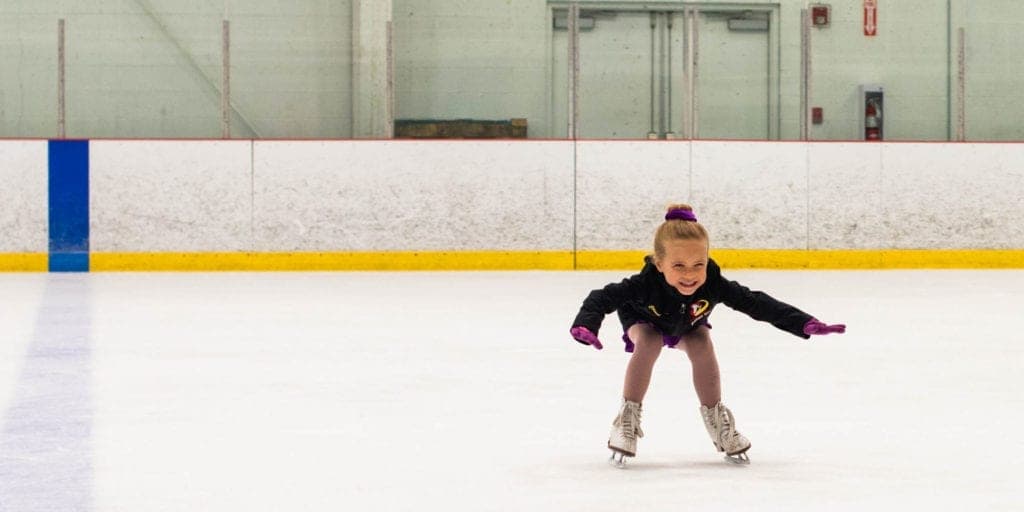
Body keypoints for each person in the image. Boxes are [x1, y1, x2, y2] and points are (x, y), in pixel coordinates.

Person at [569, 204, 845, 466]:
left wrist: (802, 322)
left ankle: (717, 421)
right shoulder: (644, 284)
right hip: (645, 317)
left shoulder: (713, 283)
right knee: (650, 341)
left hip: (687, 320)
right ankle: (626, 420)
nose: (690, 275)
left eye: (698, 265)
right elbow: (601, 298)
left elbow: (756, 303)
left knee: (702, 344)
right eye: (678, 266)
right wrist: (586, 325)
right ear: (659, 263)